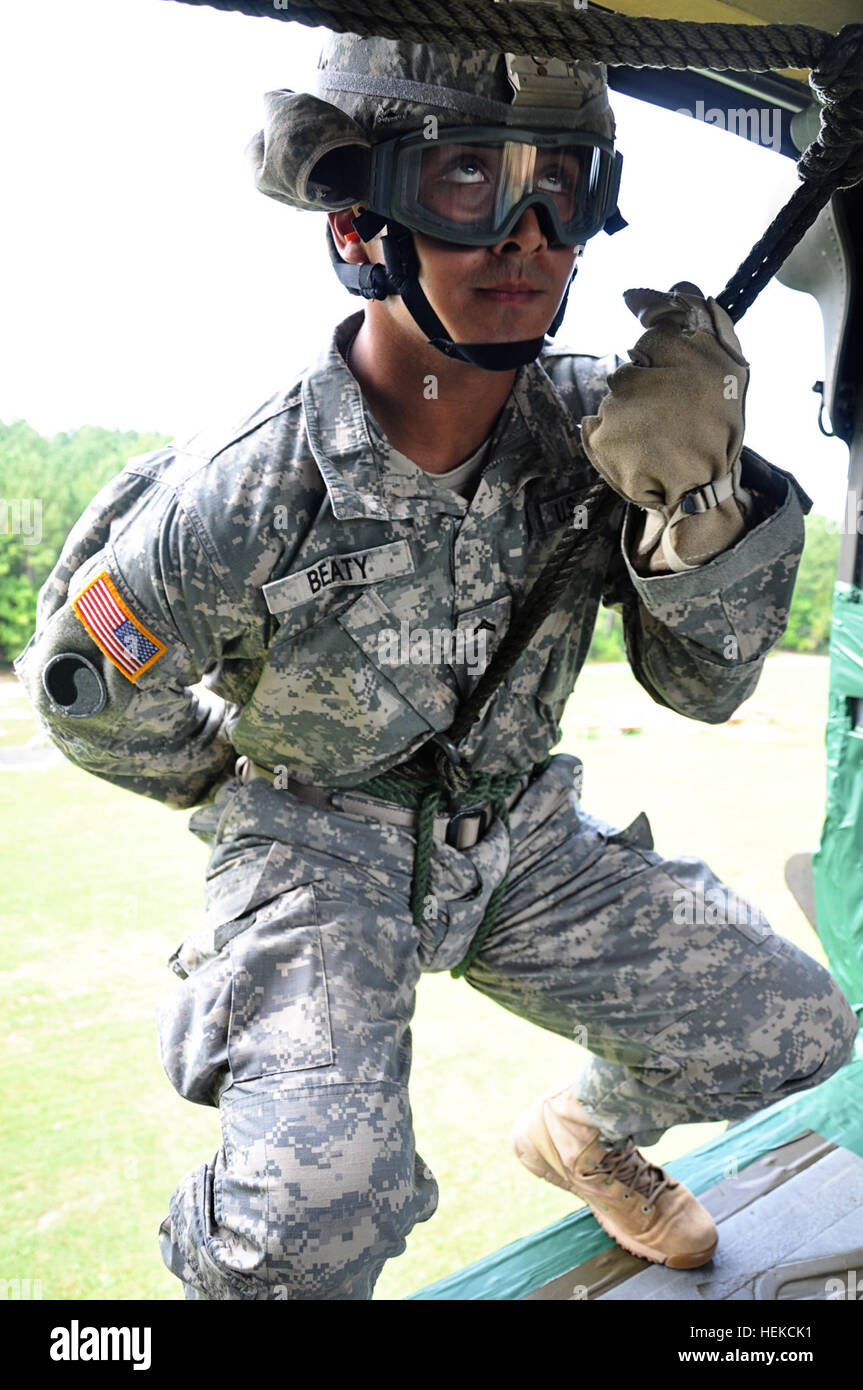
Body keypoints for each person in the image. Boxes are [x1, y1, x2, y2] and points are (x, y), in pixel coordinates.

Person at [13, 28, 858, 1301]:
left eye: (558, 187)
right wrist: (233, 788)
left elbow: (704, 689)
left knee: (794, 1026)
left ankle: (579, 1132)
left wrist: (699, 498)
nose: (525, 233)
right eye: (467, 178)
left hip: (523, 840)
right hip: (315, 847)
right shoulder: (247, 490)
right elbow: (86, 692)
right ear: (363, 224)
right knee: (309, 1219)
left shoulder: (602, 426)